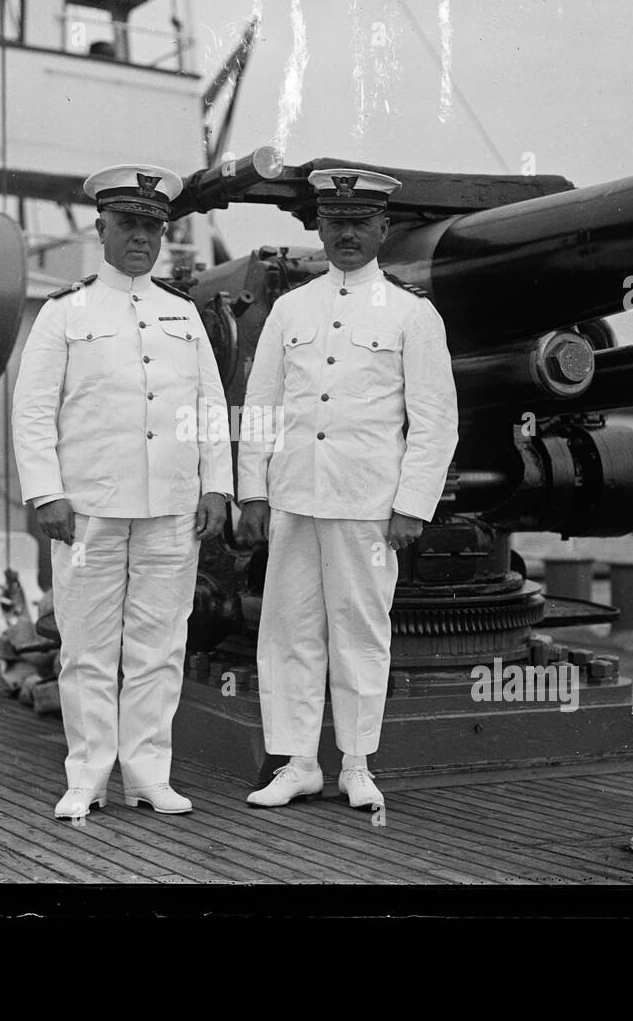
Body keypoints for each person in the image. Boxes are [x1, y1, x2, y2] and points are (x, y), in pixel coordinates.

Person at [12, 164, 233, 820]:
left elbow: (209, 408)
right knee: (85, 645)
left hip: (171, 507)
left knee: (160, 645)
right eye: (128, 223)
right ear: (101, 227)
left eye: (152, 226)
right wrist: (46, 492)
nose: (141, 236)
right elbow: (32, 411)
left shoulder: (183, 314)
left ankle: (148, 774)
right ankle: (87, 776)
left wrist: (217, 486)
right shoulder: (63, 313)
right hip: (88, 509)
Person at [235, 167, 458, 812]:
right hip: (295, 497)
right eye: (335, 223)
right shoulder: (290, 308)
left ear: (383, 229)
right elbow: (262, 408)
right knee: (287, 629)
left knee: (360, 630)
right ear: (321, 229)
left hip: (367, 502)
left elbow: (435, 420)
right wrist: (254, 492)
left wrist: (412, 506)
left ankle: (357, 764)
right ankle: (298, 761)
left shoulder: (413, 316)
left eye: (360, 223)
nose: (347, 235)